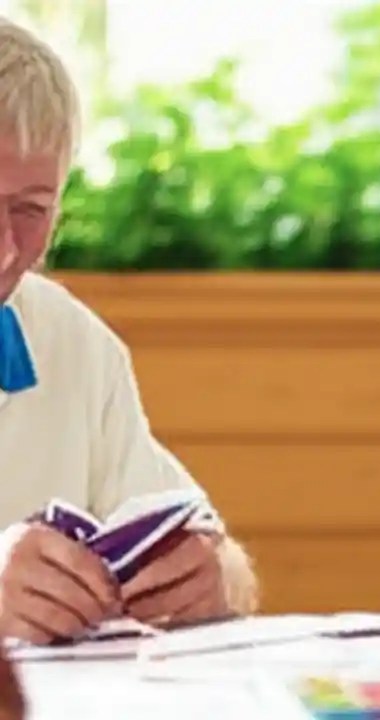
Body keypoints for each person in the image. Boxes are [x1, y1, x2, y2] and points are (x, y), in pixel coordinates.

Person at [0, 18, 257, 644]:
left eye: (30, 210)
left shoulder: (75, 347)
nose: (5, 250)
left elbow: (222, 561)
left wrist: (214, 580)